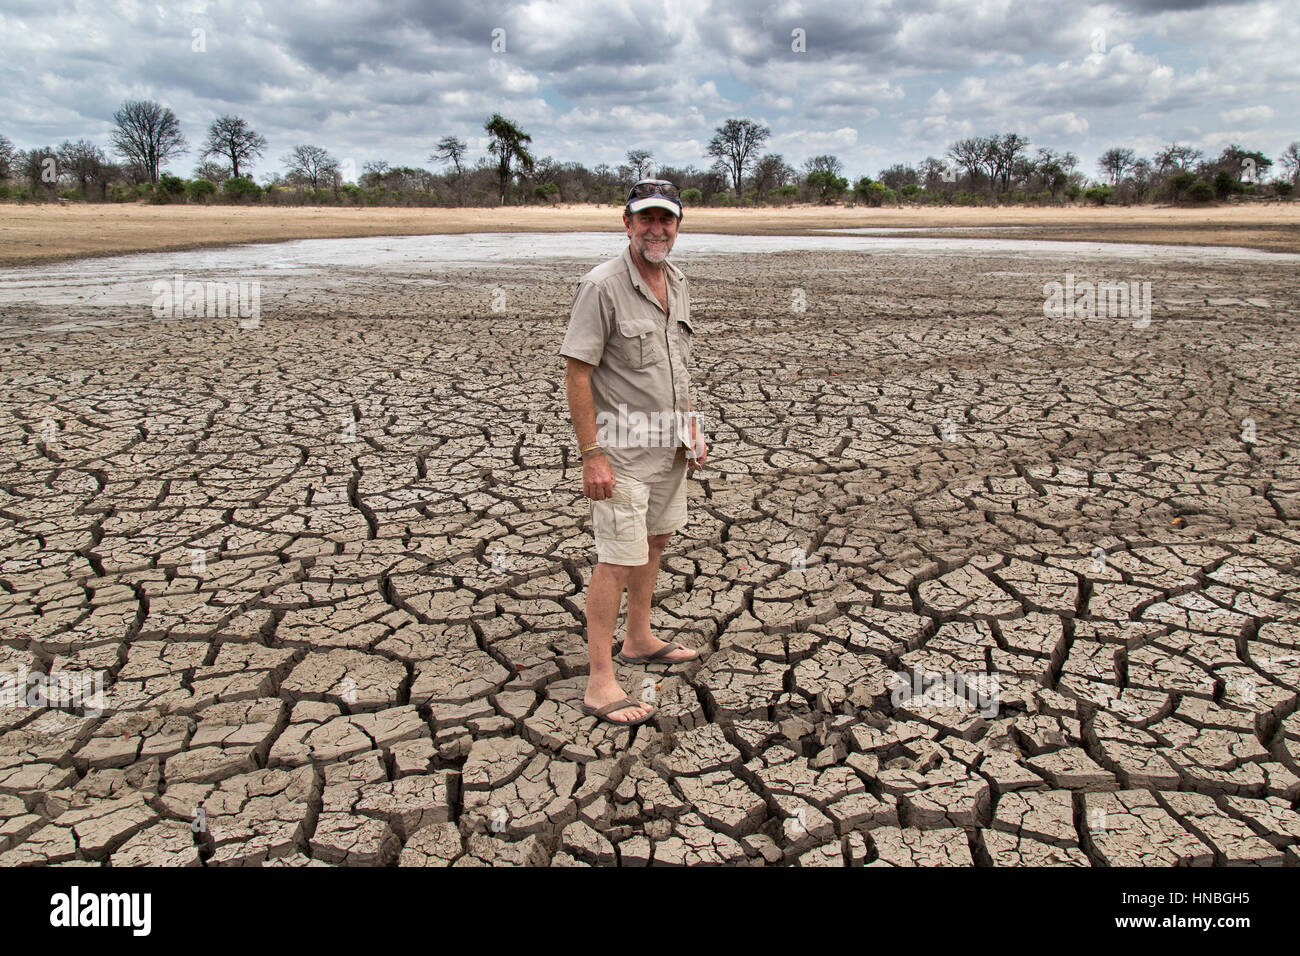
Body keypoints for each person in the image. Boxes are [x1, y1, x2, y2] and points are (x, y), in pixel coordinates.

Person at [559, 179, 708, 726]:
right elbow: (578, 372)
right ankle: (601, 680)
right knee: (617, 557)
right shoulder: (601, 286)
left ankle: (639, 638)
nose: (656, 229)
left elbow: (677, 365)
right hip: (619, 450)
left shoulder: (677, 281)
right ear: (627, 224)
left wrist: (691, 427)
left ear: (677, 227)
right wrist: (591, 454)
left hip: (667, 446)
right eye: (645, 219)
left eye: (665, 220)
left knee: (655, 540)